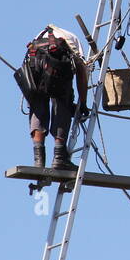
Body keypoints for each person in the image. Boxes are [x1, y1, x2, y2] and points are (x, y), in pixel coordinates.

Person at [14, 24, 89, 170]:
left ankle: (38, 162)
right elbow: (81, 72)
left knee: (37, 108)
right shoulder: (73, 41)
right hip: (57, 70)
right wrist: (83, 102)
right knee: (62, 105)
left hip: (34, 71)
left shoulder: (38, 38)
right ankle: (59, 158)